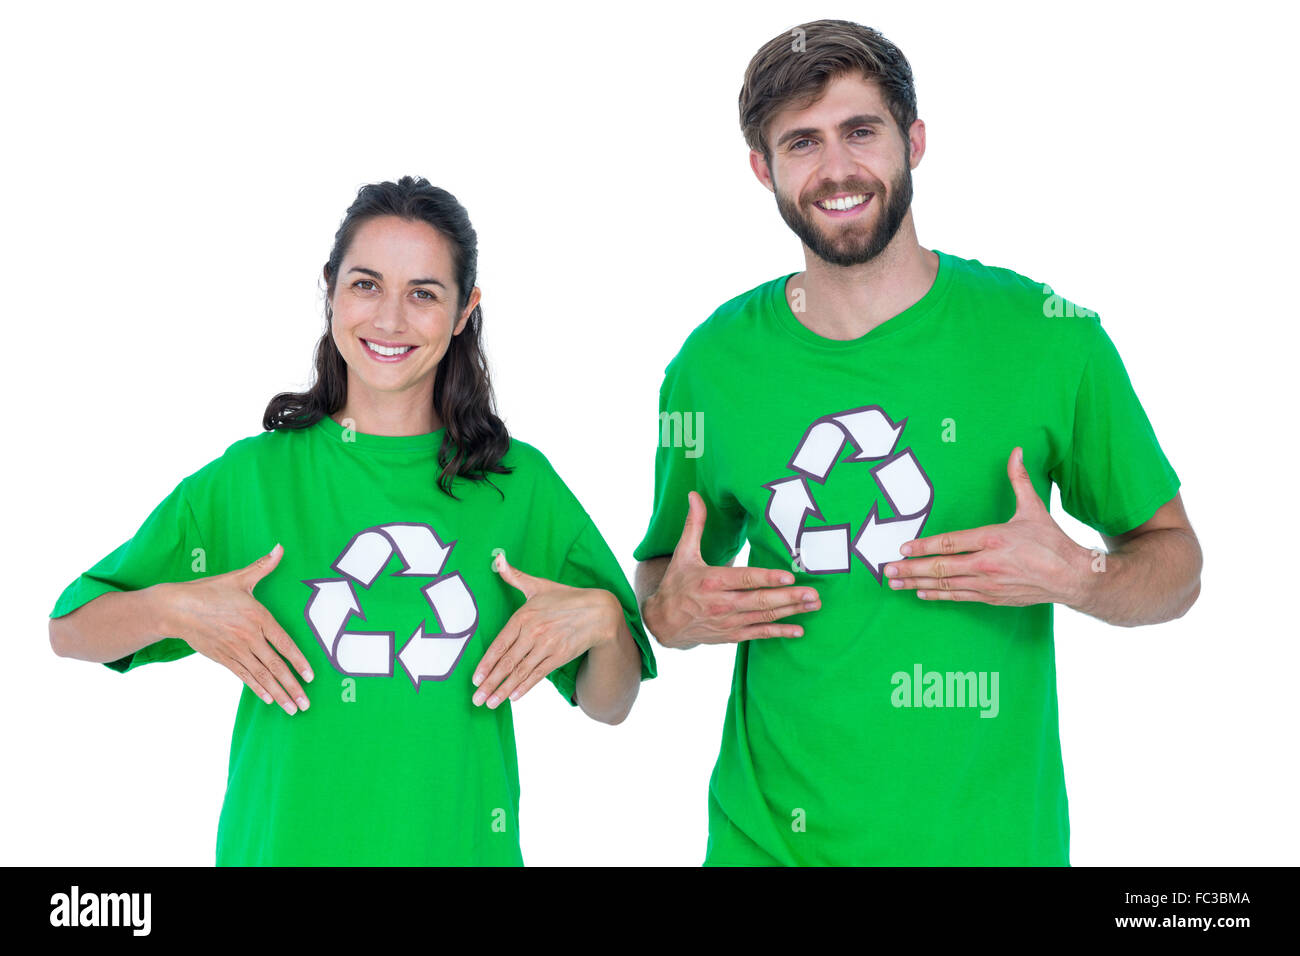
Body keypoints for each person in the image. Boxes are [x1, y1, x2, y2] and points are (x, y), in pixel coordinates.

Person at [632, 20, 1202, 866]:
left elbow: (1177, 567)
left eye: (861, 131)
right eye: (802, 142)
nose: (836, 169)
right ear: (763, 168)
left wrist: (1080, 574)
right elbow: (665, 578)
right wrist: (668, 616)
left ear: (914, 141)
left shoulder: (1048, 339)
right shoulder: (710, 370)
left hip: (989, 844)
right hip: (765, 841)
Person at [49, 175, 656, 866]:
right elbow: (70, 631)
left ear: (465, 312)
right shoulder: (253, 478)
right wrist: (177, 610)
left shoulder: (519, 486)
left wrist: (606, 619)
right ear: (331, 288)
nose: (390, 320)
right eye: (366, 285)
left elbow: (609, 704)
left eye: (424, 294)